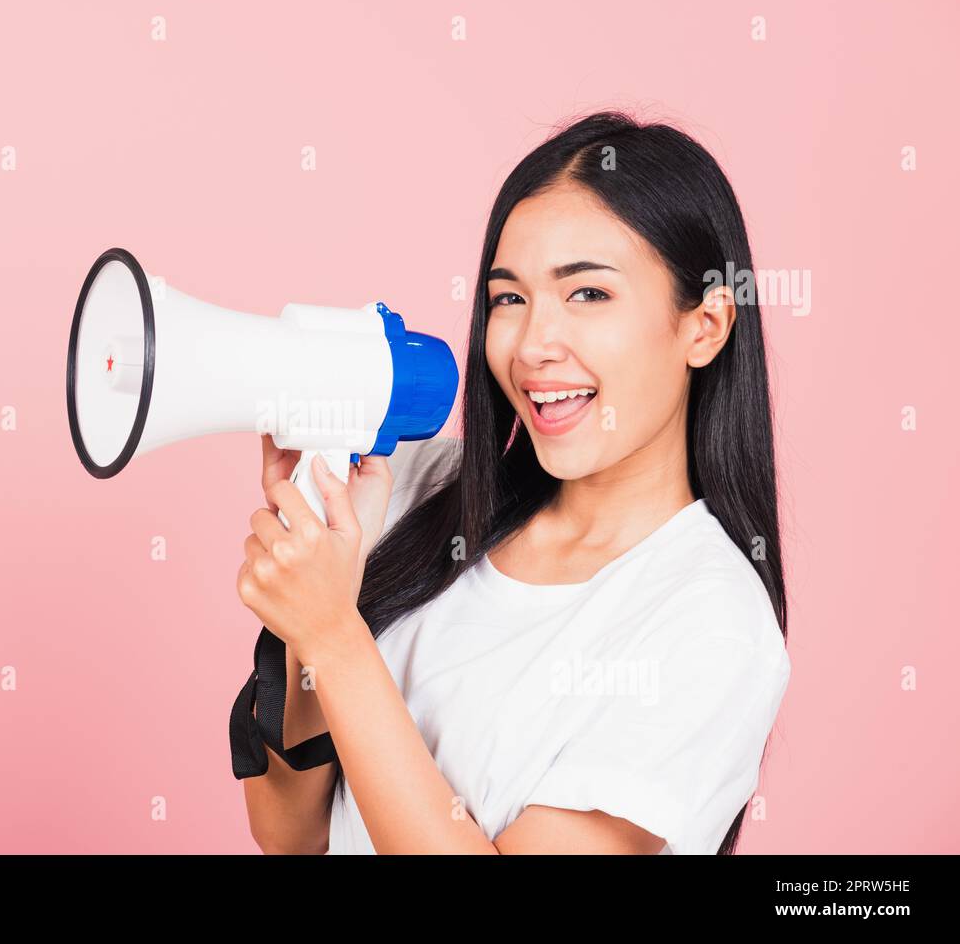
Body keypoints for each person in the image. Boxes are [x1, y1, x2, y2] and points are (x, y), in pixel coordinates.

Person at [233, 111, 791, 855]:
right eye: (508, 298)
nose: (532, 344)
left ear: (706, 325)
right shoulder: (426, 487)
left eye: (588, 294)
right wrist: (308, 614)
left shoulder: (713, 623)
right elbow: (288, 835)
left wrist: (336, 636)